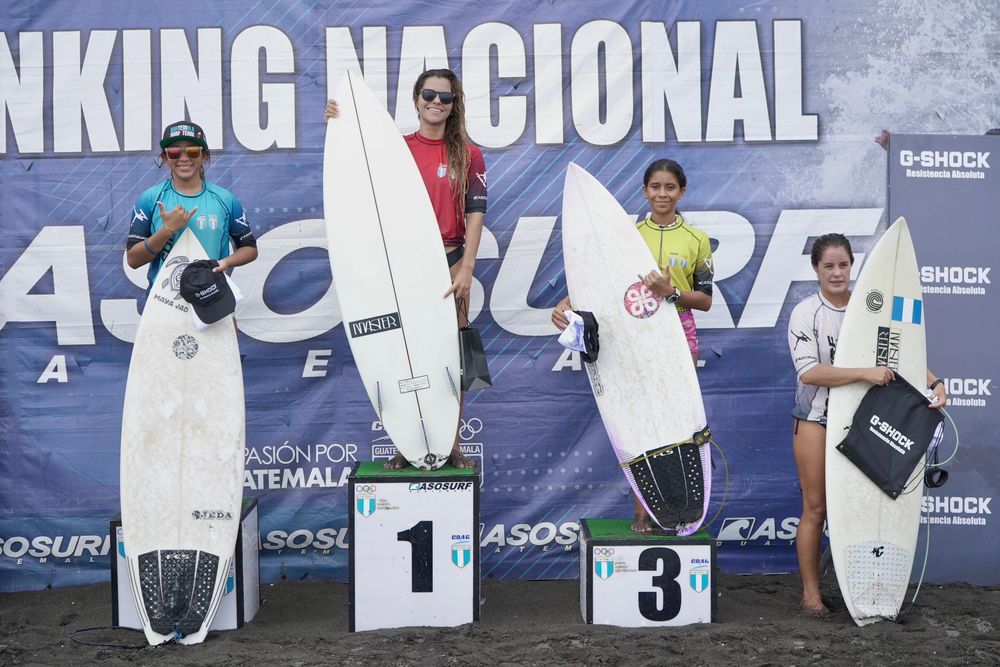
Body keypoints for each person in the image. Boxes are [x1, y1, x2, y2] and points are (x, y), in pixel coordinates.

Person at [325, 69, 487, 470]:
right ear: (416, 100)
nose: (436, 101)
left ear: (455, 104)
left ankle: (449, 440)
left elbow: (476, 213)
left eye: (445, 97)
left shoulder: (468, 154)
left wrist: (466, 268)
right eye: (428, 94)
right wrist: (338, 123)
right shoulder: (393, 150)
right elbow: (353, 174)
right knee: (399, 351)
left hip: (449, 262)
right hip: (398, 267)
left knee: (451, 355)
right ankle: (406, 441)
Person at [787, 233, 947, 617]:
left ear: (852, 267)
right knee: (816, 508)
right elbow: (809, 373)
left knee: (863, 508)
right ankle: (811, 594)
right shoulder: (805, 312)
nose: (837, 273)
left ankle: (856, 580)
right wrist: (865, 373)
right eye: (829, 266)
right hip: (816, 421)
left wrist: (934, 381)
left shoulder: (870, 307)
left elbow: (900, 354)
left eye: (844, 265)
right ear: (815, 269)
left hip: (867, 422)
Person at [552, 159, 714, 532]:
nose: (662, 194)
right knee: (636, 416)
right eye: (655, 187)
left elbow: (704, 300)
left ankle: (678, 499)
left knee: (673, 415)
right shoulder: (628, 234)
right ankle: (643, 510)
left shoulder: (696, 239)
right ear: (645, 191)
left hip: (676, 332)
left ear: (682, 192)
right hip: (630, 335)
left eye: (670, 187)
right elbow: (600, 284)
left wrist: (669, 292)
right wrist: (566, 303)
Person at [126, 121, 257, 287]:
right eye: (174, 152)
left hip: (212, 300)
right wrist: (168, 230)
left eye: (193, 151)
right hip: (162, 305)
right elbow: (133, 260)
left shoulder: (225, 199)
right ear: (165, 158)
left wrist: (225, 262)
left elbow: (250, 248)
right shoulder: (151, 198)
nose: (184, 158)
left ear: (205, 156)